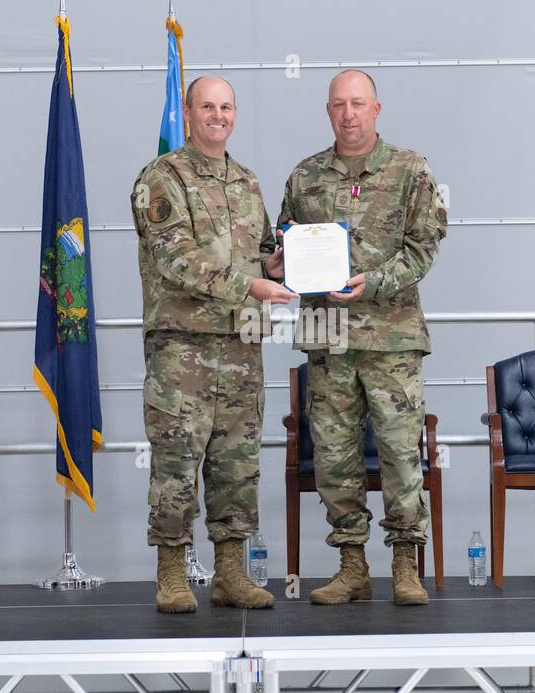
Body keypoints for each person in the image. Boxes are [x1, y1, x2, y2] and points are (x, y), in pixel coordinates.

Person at [277, 70, 447, 606]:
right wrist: (279, 262)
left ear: (377, 109)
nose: (348, 114)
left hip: (392, 338)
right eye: (338, 105)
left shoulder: (409, 169)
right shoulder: (305, 177)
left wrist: (374, 283)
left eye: (358, 104)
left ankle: (404, 564)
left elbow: (424, 247)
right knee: (334, 456)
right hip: (327, 337)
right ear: (328, 112)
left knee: (400, 453)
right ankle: (351, 565)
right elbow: (281, 244)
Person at [131, 76, 292, 613]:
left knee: (237, 462)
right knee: (177, 461)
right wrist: (251, 284)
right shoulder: (162, 178)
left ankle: (229, 572)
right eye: (207, 106)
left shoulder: (246, 182)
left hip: (242, 343)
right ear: (189, 112)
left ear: (235, 114)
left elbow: (264, 252)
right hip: (183, 346)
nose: (217, 115)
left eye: (226, 107)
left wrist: (286, 264)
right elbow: (172, 256)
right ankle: (172, 573)